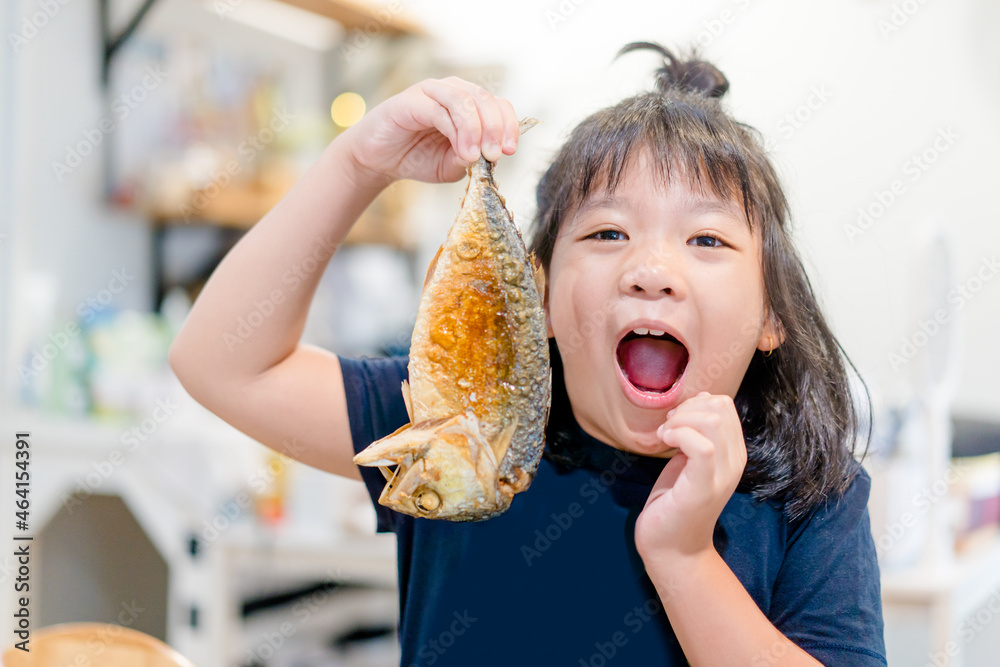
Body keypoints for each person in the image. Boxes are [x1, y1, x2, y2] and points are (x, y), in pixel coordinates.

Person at [170, 42, 886, 666]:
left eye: (707, 240)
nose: (651, 269)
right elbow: (224, 364)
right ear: (536, 300)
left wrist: (685, 557)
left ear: (772, 317)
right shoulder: (465, 427)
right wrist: (360, 160)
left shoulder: (810, 496)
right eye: (607, 233)